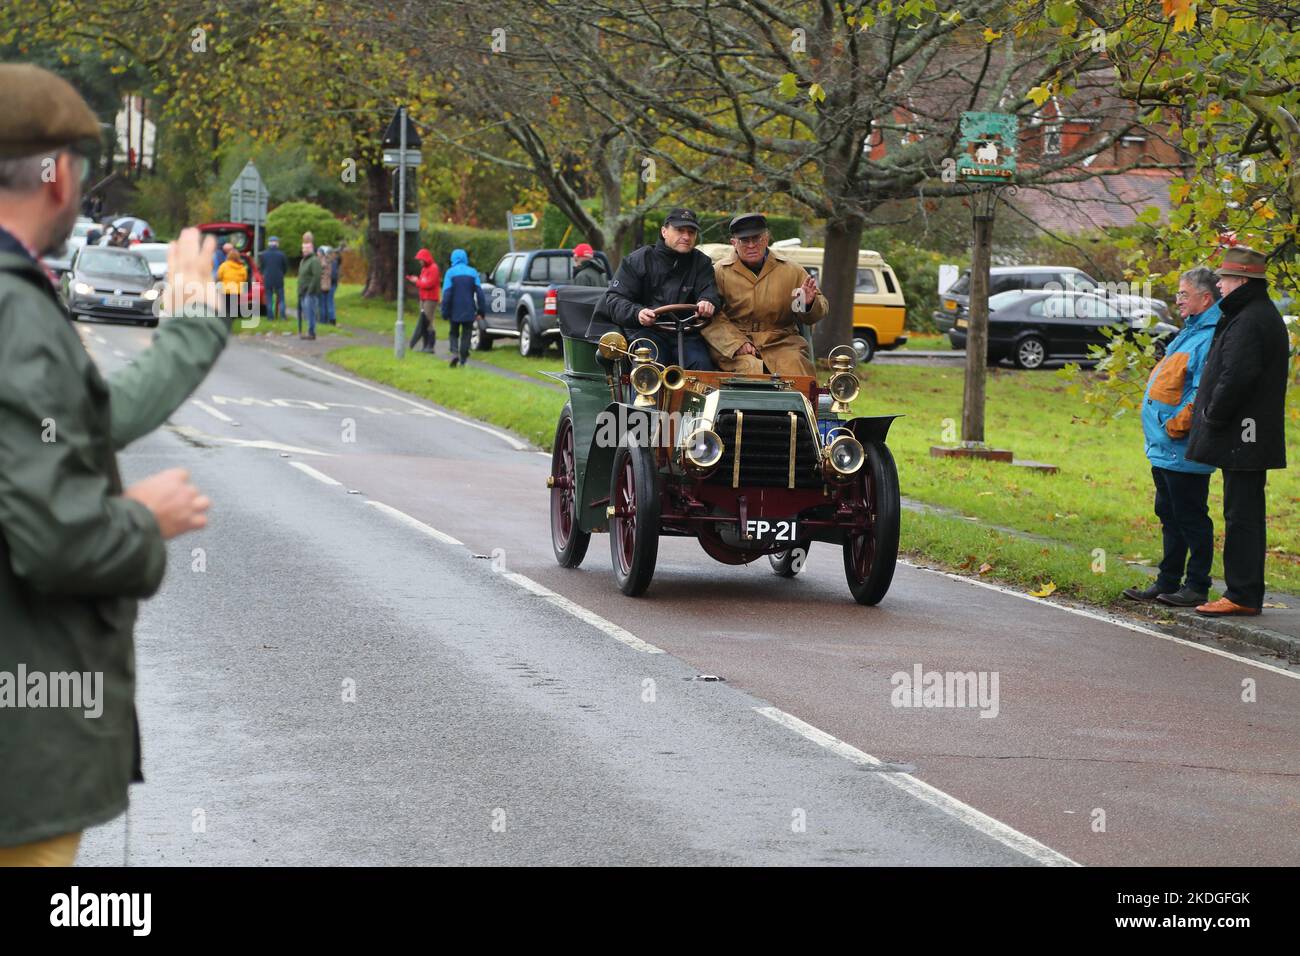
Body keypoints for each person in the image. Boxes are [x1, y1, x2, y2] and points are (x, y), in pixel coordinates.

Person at [0, 63, 230, 867]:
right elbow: (56, 541)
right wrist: (144, 519)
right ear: (58, 176)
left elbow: (61, 428)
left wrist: (190, 334)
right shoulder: (14, 311)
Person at [1184, 245, 1290, 616]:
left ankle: (1242, 594)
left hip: (1244, 433)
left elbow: (1237, 376)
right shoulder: (1253, 313)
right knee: (1242, 510)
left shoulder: (1250, 319)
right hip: (1248, 431)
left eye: (1225, 279)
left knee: (1241, 514)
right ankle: (1242, 592)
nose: (1220, 285)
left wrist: (1212, 415)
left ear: (1242, 280)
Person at [1122, 267, 1221, 608]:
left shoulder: (1210, 334)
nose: (1177, 300)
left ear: (1205, 298)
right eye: (1178, 294)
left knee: (1190, 516)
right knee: (1169, 513)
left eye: (1183, 294)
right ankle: (1167, 581)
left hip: (1183, 447)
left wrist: (1174, 426)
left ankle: (1196, 586)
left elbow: (1202, 390)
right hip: (1165, 447)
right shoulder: (1190, 330)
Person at [702, 213, 827, 376]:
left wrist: (808, 303)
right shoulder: (719, 272)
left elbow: (817, 313)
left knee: (797, 374)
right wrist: (736, 343)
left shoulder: (791, 270)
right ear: (734, 243)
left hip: (781, 343)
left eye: (757, 239)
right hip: (734, 345)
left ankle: (802, 403)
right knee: (747, 371)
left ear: (766, 239)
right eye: (744, 240)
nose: (751, 245)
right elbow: (711, 316)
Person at [600, 207, 720, 370]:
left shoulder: (701, 263)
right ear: (664, 231)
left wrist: (707, 301)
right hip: (645, 332)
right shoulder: (637, 261)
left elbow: (709, 291)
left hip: (686, 334)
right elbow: (615, 300)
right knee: (650, 367)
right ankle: (644, 396)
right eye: (679, 230)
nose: (686, 236)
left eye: (691, 232)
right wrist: (638, 313)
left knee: (702, 365)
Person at [440, 248, 485, 367]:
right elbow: (480, 293)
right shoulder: (473, 272)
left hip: (454, 309)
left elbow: (447, 294)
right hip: (469, 309)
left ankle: (454, 352)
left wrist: (444, 310)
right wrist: (481, 311)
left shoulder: (450, 273)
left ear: (452, 259)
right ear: (465, 258)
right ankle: (463, 358)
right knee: (467, 334)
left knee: (453, 333)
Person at [406, 248, 441, 352]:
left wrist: (417, 281)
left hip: (431, 298)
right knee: (424, 322)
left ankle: (430, 346)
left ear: (426, 259)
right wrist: (416, 280)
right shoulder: (424, 269)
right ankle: (425, 345)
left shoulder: (434, 268)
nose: (420, 262)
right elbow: (423, 282)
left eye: (421, 260)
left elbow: (429, 284)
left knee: (428, 321)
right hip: (423, 298)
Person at [258, 235, 288, 320]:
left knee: (269, 298)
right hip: (279, 278)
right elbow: (285, 267)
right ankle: (282, 316)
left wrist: (264, 274)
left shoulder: (263, 254)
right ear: (277, 244)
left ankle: (270, 317)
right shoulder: (282, 254)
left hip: (268, 278)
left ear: (269, 243)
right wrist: (282, 273)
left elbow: (261, 268)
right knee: (281, 299)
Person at [297, 238, 321, 340]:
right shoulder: (303, 261)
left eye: (307, 248)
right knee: (306, 313)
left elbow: (316, 276)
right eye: (303, 248)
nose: (304, 250)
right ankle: (309, 331)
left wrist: (310, 290)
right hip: (302, 291)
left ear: (311, 249)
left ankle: (311, 332)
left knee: (310, 312)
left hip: (310, 292)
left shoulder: (314, 260)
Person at [216, 247, 248, 320]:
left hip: (226, 290)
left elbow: (219, 276)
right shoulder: (242, 267)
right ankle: (231, 321)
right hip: (236, 291)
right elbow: (244, 278)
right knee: (233, 308)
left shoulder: (224, 266)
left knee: (225, 307)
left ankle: (225, 322)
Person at [318, 245, 336, 325]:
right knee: (330, 302)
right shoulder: (333, 261)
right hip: (331, 284)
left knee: (322, 303)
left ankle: (323, 320)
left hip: (323, 284)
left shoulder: (321, 261)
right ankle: (332, 320)